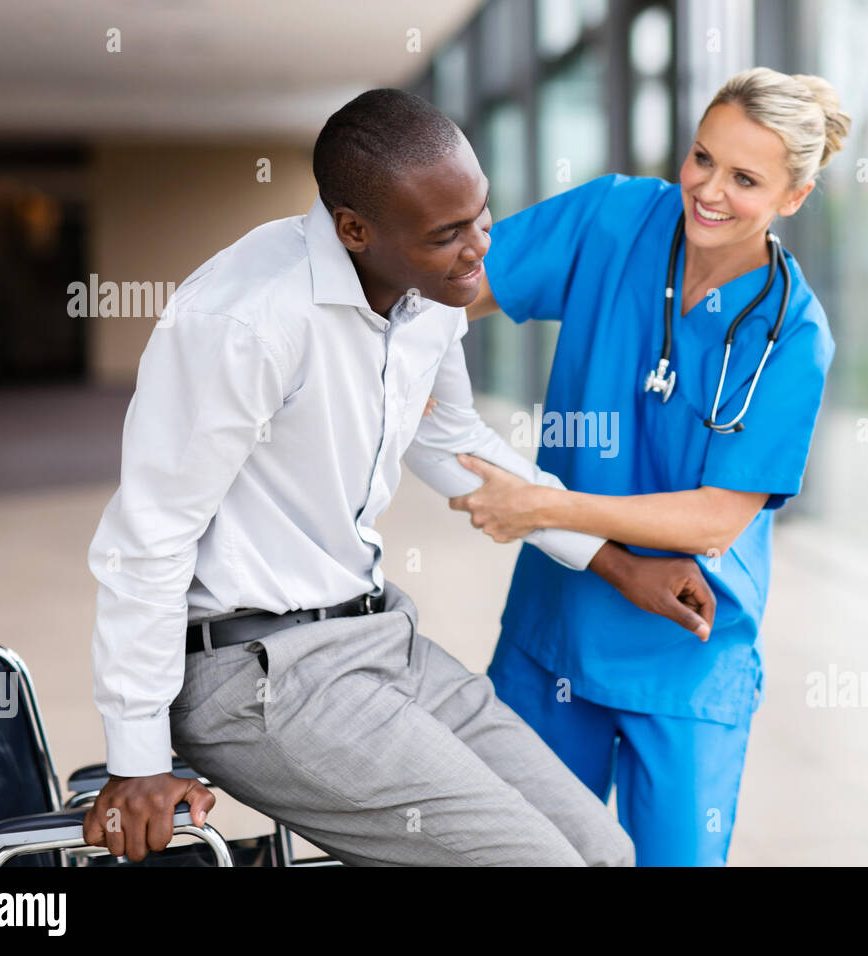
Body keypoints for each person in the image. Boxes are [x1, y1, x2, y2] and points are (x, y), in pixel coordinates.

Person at [80, 89, 718, 866]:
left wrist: (616, 560)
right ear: (354, 230)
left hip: (380, 637)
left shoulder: (429, 297)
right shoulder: (248, 321)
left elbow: (450, 438)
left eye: (482, 216)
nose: (480, 250)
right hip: (255, 679)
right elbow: (148, 535)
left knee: (605, 850)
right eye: (448, 235)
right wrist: (137, 760)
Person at [450, 68, 848, 865]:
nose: (708, 189)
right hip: (557, 627)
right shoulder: (615, 219)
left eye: (745, 179)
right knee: (514, 853)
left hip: (687, 650)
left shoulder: (794, 334)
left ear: (793, 197)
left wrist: (545, 508)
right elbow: (458, 291)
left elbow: (718, 517)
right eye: (702, 157)